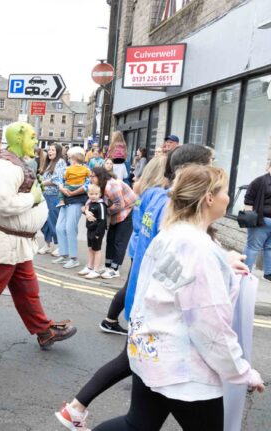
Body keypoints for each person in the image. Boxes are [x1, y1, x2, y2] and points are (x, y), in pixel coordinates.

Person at [54, 144, 216, 430]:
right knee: (135, 385)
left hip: (142, 292)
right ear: (197, 171)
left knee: (138, 406)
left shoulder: (153, 196)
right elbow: (174, 263)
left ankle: (76, 407)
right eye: (211, 164)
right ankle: (76, 407)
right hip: (160, 310)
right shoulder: (173, 209)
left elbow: (140, 232)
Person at [93, 165, 264, 431]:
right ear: (209, 198)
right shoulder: (199, 249)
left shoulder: (172, 234)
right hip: (186, 373)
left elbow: (173, 285)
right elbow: (210, 325)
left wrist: (222, 266)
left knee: (137, 425)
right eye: (225, 191)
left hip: (155, 355)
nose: (228, 198)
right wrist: (242, 372)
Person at [0, 122, 75, 354]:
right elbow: (5, 205)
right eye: (32, 137)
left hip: (17, 241)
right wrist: (33, 198)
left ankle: (44, 330)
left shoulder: (14, 163)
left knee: (27, 288)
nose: (36, 142)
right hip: (4, 241)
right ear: (17, 138)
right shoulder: (4, 166)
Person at [101, 155, 169, 336]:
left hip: (137, 244)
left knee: (131, 285)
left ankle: (110, 320)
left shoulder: (143, 190)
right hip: (143, 247)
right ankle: (111, 321)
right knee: (132, 286)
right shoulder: (157, 196)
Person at [92, 166, 137, 279]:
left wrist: (105, 211)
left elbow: (119, 205)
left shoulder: (111, 186)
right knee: (111, 239)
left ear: (100, 177)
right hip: (117, 212)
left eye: (93, 176)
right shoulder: (102, 185)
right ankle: (108, 266)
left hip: (128, 211)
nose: (91, 179)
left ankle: (115, 269)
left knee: (119, 241)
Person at [54, 147, 90, 269]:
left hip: (77, 201)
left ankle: (74, 259)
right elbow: (59, 179)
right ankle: (64, 254)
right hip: (65, 200)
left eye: (70, 158)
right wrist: (61, 188)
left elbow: (87, 185)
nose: (69, 160)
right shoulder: (67, 169)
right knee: (59, 227)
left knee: (70, 228)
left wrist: (72, 193)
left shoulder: (86, 170)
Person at [243, 162, 271, 280]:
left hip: (265, 220)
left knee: (268, 247)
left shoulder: (258, 181)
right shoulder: (259, 181)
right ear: (268, 167)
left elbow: (248, 198)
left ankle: (268, 273)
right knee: (253, 247)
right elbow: (248, 200)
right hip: (261, 220)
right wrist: (250, 218)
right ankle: (245, 271)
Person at [38, 144, 66, 256]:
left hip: (54, 196)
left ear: (58, 152)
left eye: (53, 150)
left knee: (54, 221)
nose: (50, 152)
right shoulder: (49, 163)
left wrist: (41, 183)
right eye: (49, 150)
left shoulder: (60, 162)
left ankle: (60, 246)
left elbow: (56, 180)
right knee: (45, 222)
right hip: (44, 196)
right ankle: (47, 244)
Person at [78, 184, 107, 279]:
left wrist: (98, 233)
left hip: (97, 231)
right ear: (88, 194)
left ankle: (96, 270)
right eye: (91, 194)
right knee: (90, 248)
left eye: (96, 194)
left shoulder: (101, 205)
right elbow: (87, 213)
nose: (93, 196)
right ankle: (89, 267)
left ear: (100, 194)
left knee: (97, 250)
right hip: (90, 230)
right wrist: (85, 211)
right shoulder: (90, 203)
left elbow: (102, 221)